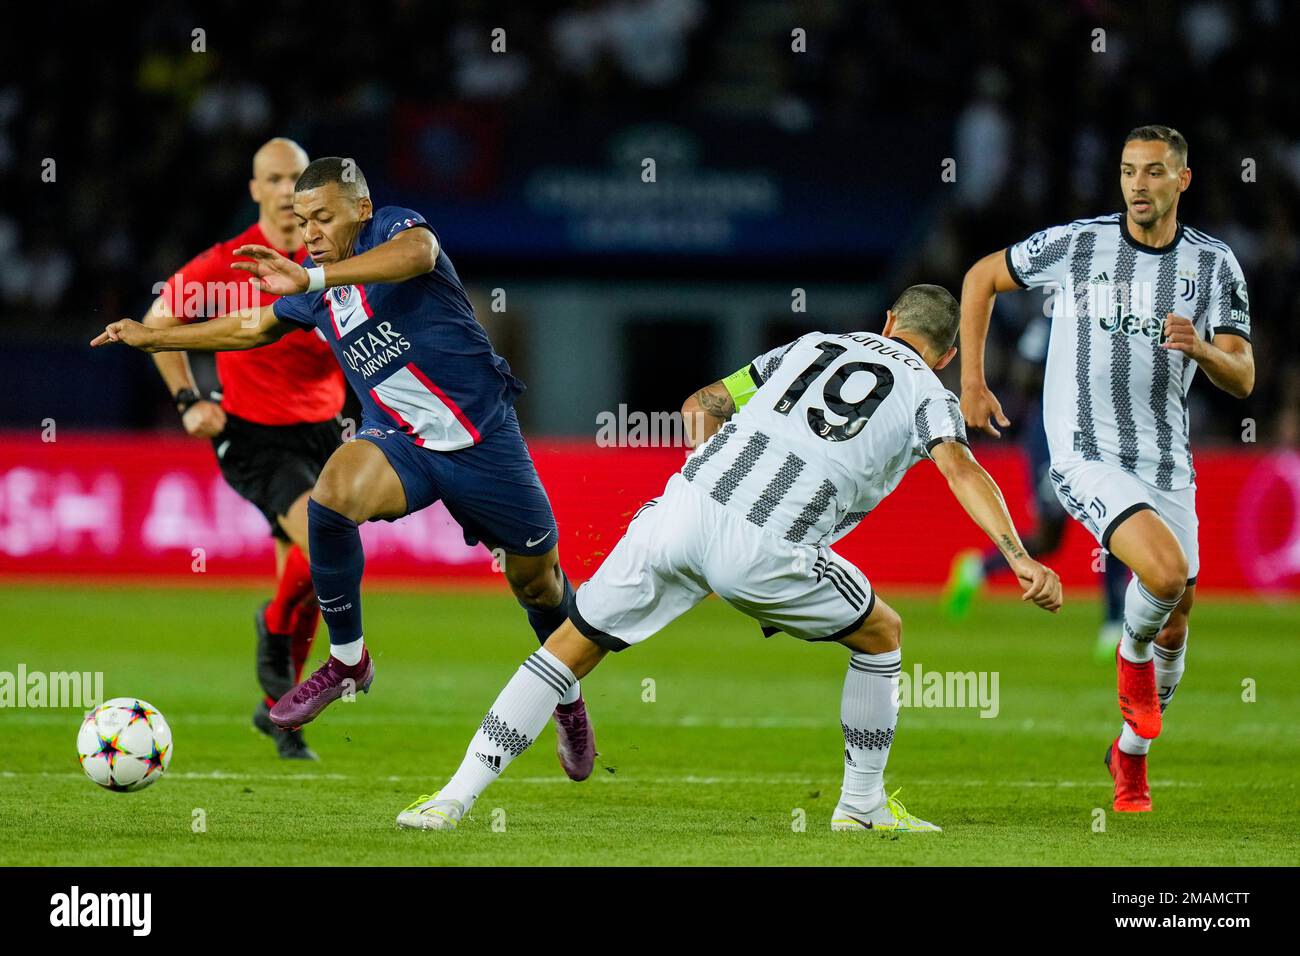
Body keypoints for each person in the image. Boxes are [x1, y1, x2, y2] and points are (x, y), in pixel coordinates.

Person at [395, 285, 1062, 832]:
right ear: (946, 357)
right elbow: (963, 469)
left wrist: (711, 477)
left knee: (567, 649)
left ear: (887, 321)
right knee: (882, 632)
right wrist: (1020, 555)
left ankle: (451, 798)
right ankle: (860, 806)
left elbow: (701, 404)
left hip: (680, 512)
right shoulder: (929, 394)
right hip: (768, 546)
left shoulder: (813, 343)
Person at [93, 157, 596, 780]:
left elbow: (419, 253)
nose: (310, 233)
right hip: (402, 444)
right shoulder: (315, 285)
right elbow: (250, 327)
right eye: (303, 222)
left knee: (539, 587)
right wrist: (157, 338)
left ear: (358, 208)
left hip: (484, 442)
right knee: (330, 498)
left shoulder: (391, 230)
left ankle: (568, 702)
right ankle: (349, 661)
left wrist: (312, 279)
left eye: (323, 217)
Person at [958, 125, 1254, 812]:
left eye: (1153, 173)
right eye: (1127, 172)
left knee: (1176, 621)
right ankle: (1128, 655)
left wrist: (1206, 353)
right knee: (1162, 574)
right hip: (1083, 450)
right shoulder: (1077, 244)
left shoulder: (1215, 266)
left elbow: (1243, 375)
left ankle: (1130, 754)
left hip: (1165, 460)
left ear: (1182, 179)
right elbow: (980, 278)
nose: (1137, 186)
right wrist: (973, 381)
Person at [142, 138, 342, 760]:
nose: (287, 191)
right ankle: (275, 636)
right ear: (255, 190)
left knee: (310, 578)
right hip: (254, 437)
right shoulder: (227, 263)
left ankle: (277, 712)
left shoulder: (332, 262)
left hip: (326, 431)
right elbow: (157, 323)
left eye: (297, 179)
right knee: (325, 543)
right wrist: (189, 400)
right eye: (275, 179)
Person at [942, 314, 1131, 664]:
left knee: (1115, 523)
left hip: (1100, 434)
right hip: (1052, 435)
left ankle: (1114, 621)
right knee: (1049, 538)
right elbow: (1023, 376)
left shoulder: (1111, 323)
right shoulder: (1048, 324)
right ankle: (977, 569)